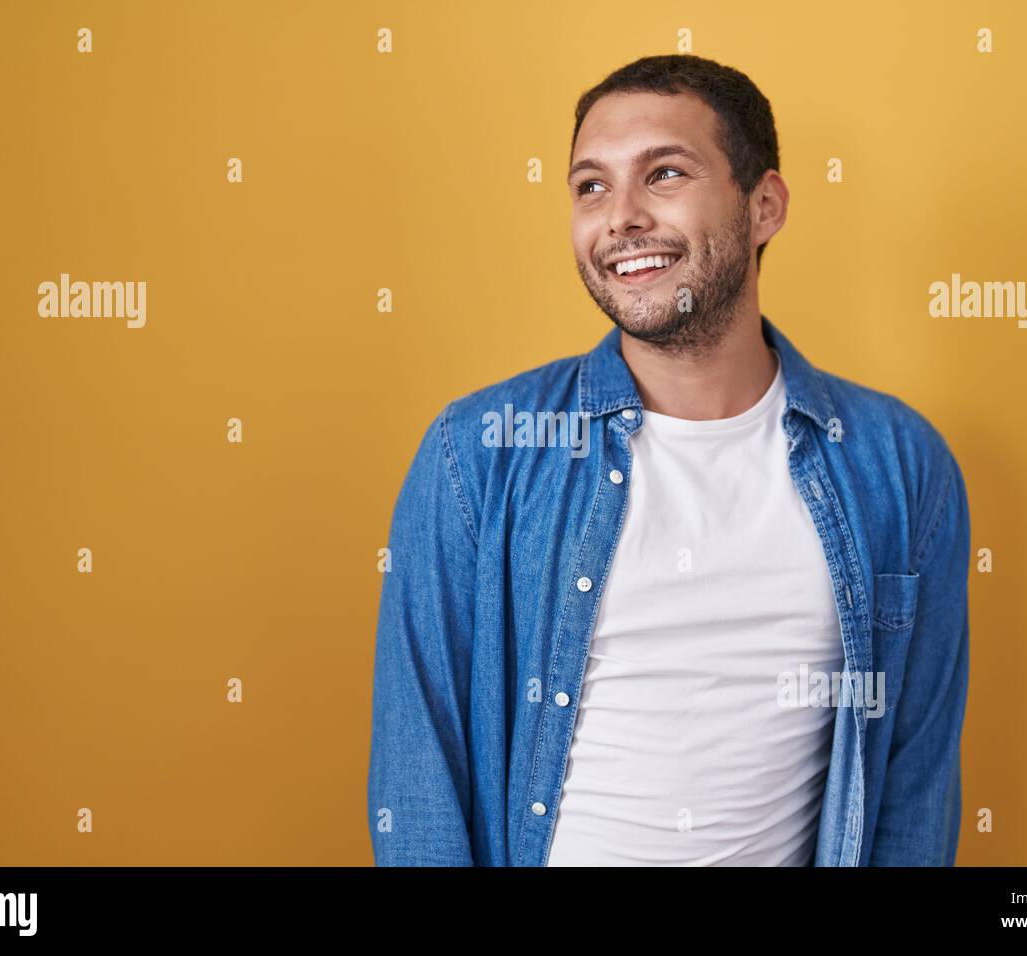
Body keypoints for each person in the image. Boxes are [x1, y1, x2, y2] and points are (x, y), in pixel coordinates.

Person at [367, 54, 970, 866]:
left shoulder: (899, 463)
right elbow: (419, 780)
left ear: (764, 206)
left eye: (665, 175)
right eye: (590, 186)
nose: (619, 218)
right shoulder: (480, 452)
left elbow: (912, 786)